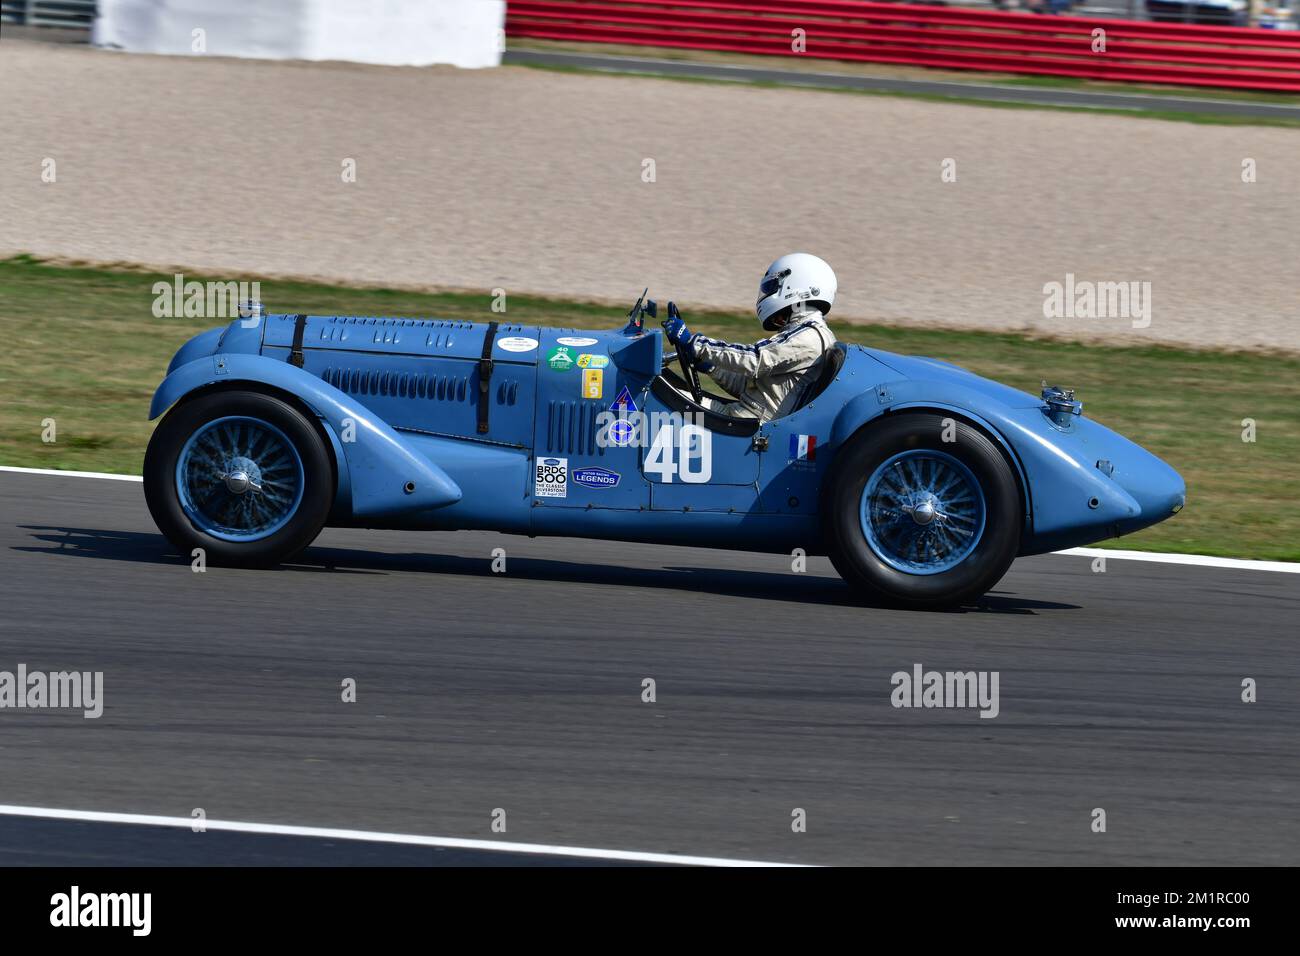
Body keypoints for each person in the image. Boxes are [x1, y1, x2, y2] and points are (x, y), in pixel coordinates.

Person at [662, 253, 839, 421]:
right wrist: (712, 367)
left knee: (654, 400)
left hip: (751, 426)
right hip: (745, 417)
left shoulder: (809, 337)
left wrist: (694, 343)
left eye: (771, 287)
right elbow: (750, 389)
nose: (767, 292)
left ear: (797, 288)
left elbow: (754, 359)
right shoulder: (806, 334)